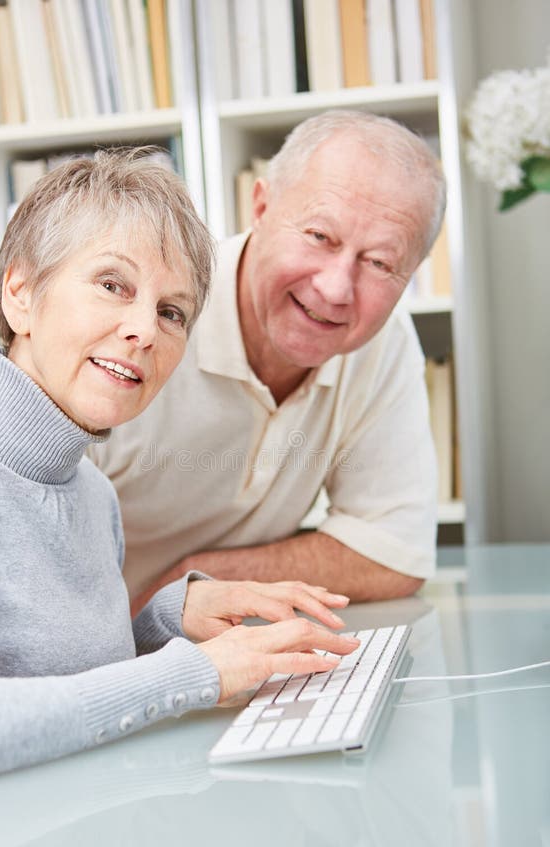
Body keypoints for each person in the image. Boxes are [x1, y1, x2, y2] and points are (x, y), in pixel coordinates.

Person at [0, 148, 359, 788]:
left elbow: (60, 680)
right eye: (113, 285)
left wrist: (167, 619)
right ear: (20, 293)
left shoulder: (92, 492)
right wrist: (195, 674)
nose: (145, 331)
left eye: (172, 312)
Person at [89, 111, 446, 616]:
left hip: (206, 652)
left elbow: (394, 553)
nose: (336, 288)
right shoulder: (140, 317)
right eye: (320, 236)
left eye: (380, 263)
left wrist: (195, 579)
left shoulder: (381, 343)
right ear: (259, 206)